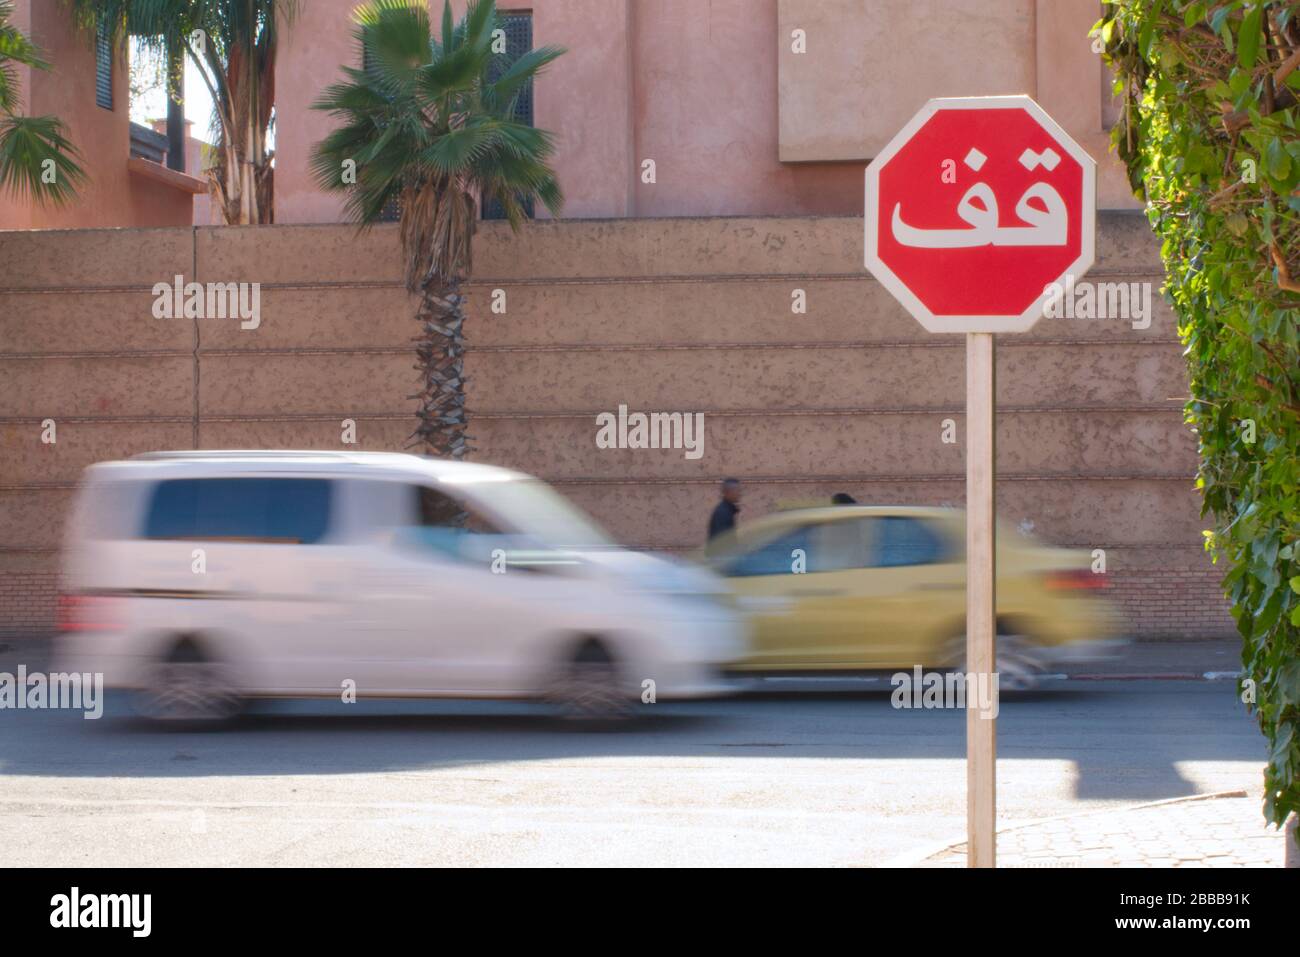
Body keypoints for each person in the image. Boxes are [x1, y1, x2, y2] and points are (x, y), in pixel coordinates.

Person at [707, 478, 742, 543]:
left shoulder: (728, 510)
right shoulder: (722, 513)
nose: (740, 493)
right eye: (738, 490)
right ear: (728, 492)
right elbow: (722, 542)